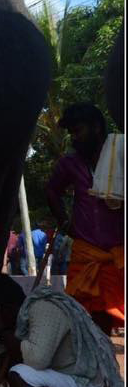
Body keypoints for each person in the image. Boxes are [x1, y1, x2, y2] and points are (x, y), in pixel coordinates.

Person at [46, 103, 124, 335]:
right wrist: (65, 223)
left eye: (77, 131)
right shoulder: (70, 163)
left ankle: (103, 361)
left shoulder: (121, 155)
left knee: (106, 319)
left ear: (96, 128)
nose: (74, 138)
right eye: (71, 133)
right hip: (85, 254)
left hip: (117, 255)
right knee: (80, 316)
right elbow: (52, 191)